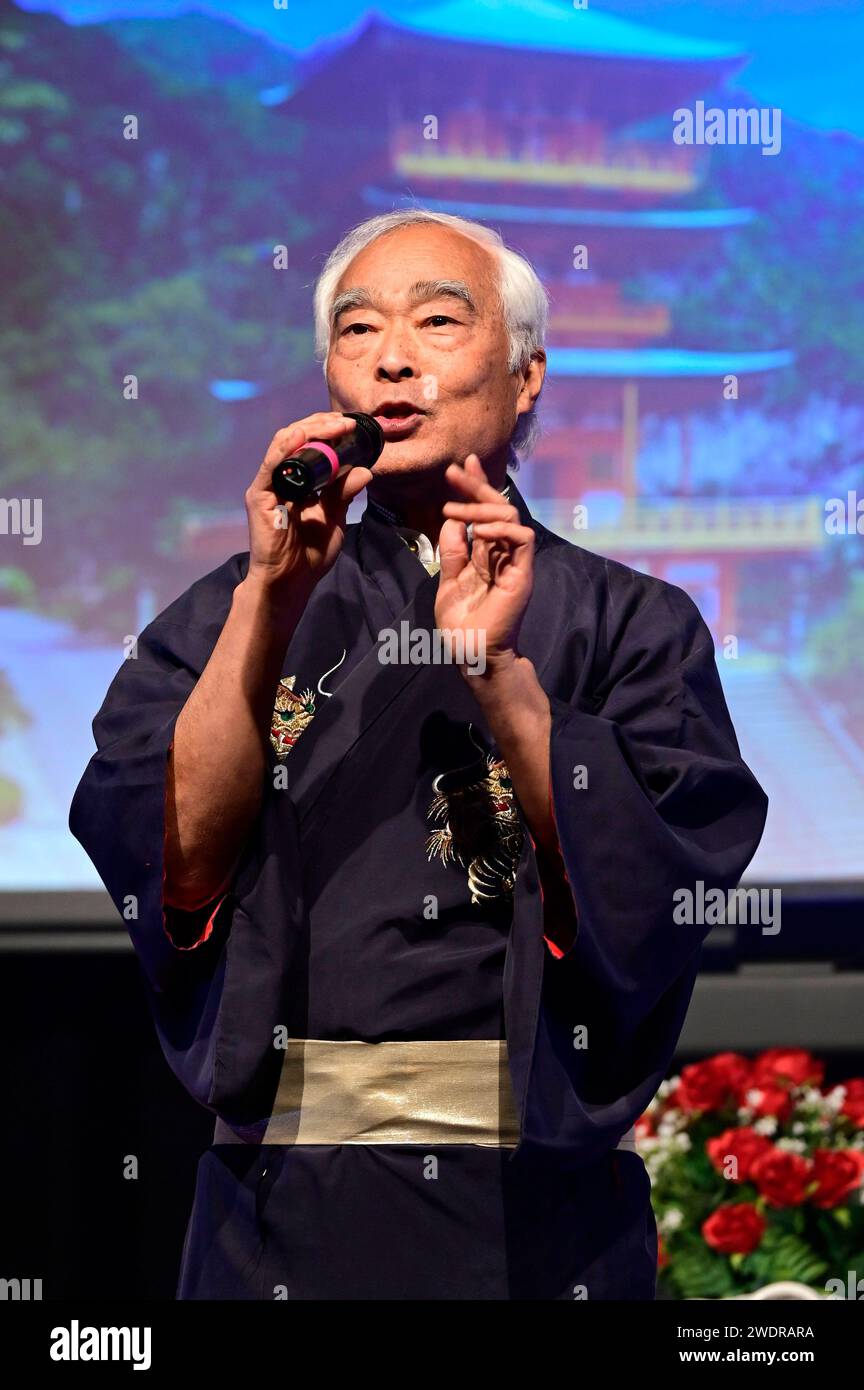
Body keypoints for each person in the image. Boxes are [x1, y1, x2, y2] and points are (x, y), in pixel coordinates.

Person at [69, 209, 768, 1300]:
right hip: (281, 1216)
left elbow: (658, 889)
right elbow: (177, 868)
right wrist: (269, 601)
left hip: (535, 1223)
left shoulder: (634, 623)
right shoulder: (223, 618)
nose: (391, 355)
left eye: (438, 319)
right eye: (357, 331)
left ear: (528, 375)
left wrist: (502, 677)